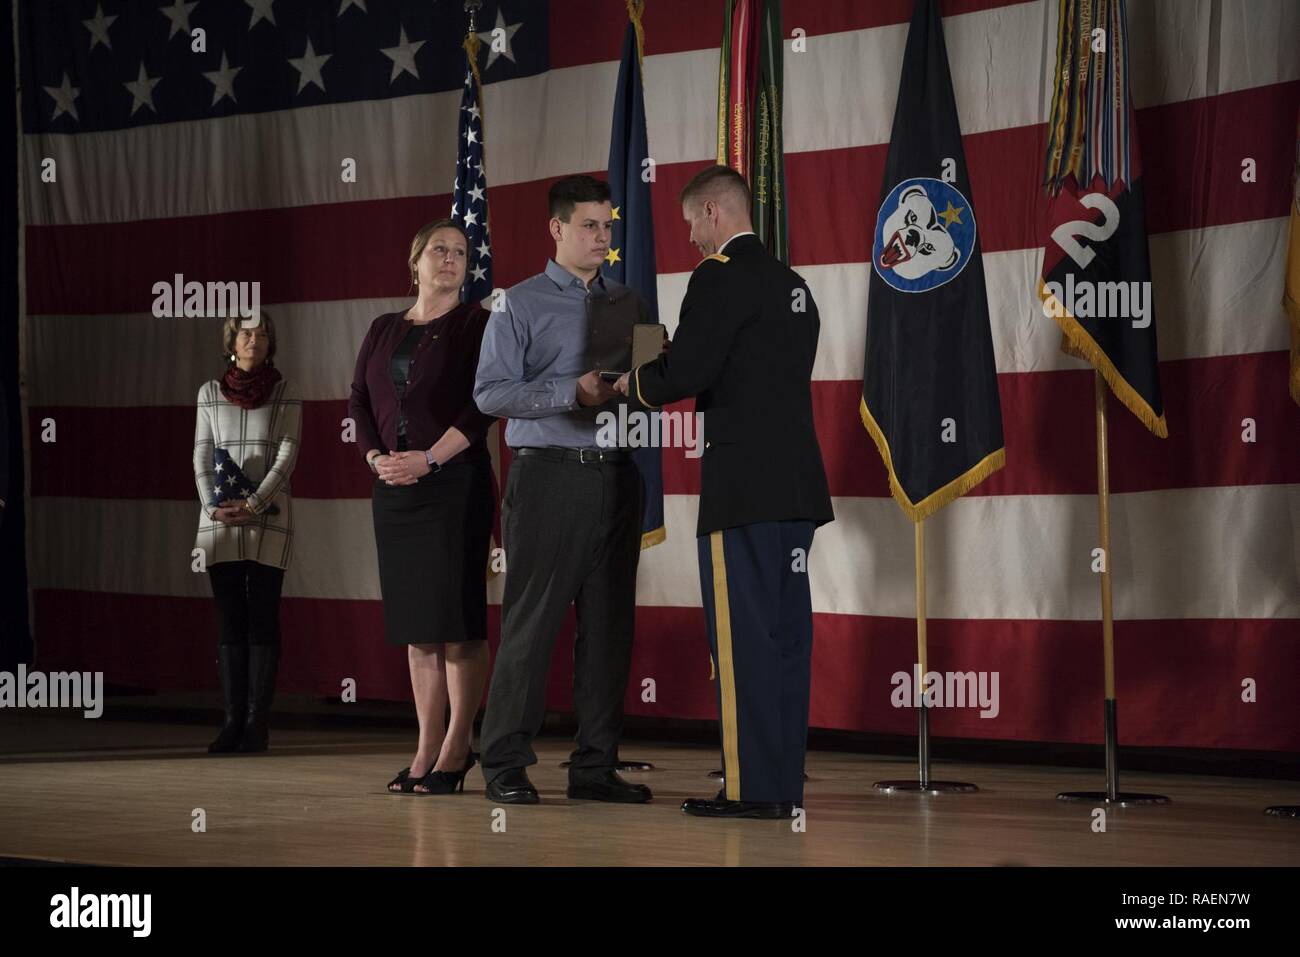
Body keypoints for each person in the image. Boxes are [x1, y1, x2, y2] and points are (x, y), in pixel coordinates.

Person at [615, 165, 834, 818]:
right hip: (796, 490)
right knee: (786, 642)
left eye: (689, 221)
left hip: (742, 490)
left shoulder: (719, 277)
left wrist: (633, 381)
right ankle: (779, 785)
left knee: (741, 645)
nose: (688, 236)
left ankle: (749, 790)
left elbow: (689, 368)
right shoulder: (794, 286)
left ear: (714, 211)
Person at [472, 175, 652, 805]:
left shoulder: (629, 302)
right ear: (556, 229)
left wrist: (654, 380)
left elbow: (648, 384)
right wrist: (568, 393)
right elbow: (489, 393)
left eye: (608, 226)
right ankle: (503, 762)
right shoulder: (516, 303)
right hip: (548, 472)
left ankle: (595, 767)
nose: (603, 238)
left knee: (608, 627)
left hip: (618, 474)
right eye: (589, 226)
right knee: (532, 621)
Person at [349, 219, 496, 795]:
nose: (450, 259)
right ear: (416, 261)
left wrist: (429, 459)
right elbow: (359, 400)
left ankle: (458, 749)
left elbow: (484, 405)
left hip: (454, 485)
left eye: (460, 252)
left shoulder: (477, 325)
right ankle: (425, 749)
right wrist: (373, 459)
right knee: (418, 629)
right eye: (439, 250)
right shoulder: (384, 328)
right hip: (394, 490)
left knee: (456, 625)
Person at [193, 310, 302, 753]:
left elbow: (287, 452)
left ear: (270, 343)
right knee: (230, 620)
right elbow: (201, 455)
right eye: (245, 333)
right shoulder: (208, 393)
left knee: (262, 618)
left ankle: (257, 724)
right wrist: (215, 506)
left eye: (261, 335)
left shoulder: (284, 391)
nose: (253, 341)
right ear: (231, 341)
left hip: (269, 519)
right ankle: (232, 721)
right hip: (219, 522)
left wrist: (253, 505)